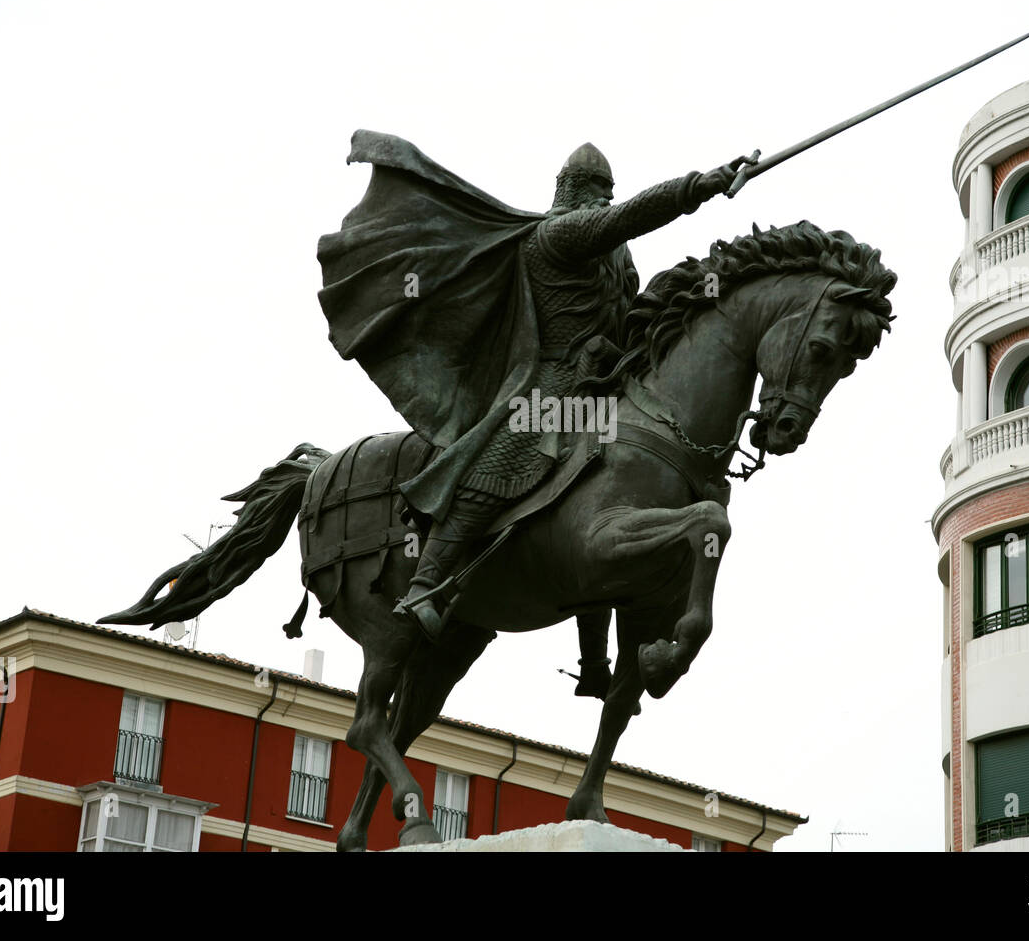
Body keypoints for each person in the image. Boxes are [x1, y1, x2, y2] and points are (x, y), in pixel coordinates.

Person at [317, 132, 753, 691]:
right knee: (499, 468)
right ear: (571, 191)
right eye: (595, 188)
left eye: (608, 189)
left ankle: (594, 662)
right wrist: (702, 185)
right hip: (546, 390)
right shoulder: (558, 235)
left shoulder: (617, 258)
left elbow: (630, 309)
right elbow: (630, 217)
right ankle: (427, 582)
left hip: (605, 387)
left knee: (615, 494)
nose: (603, 197)